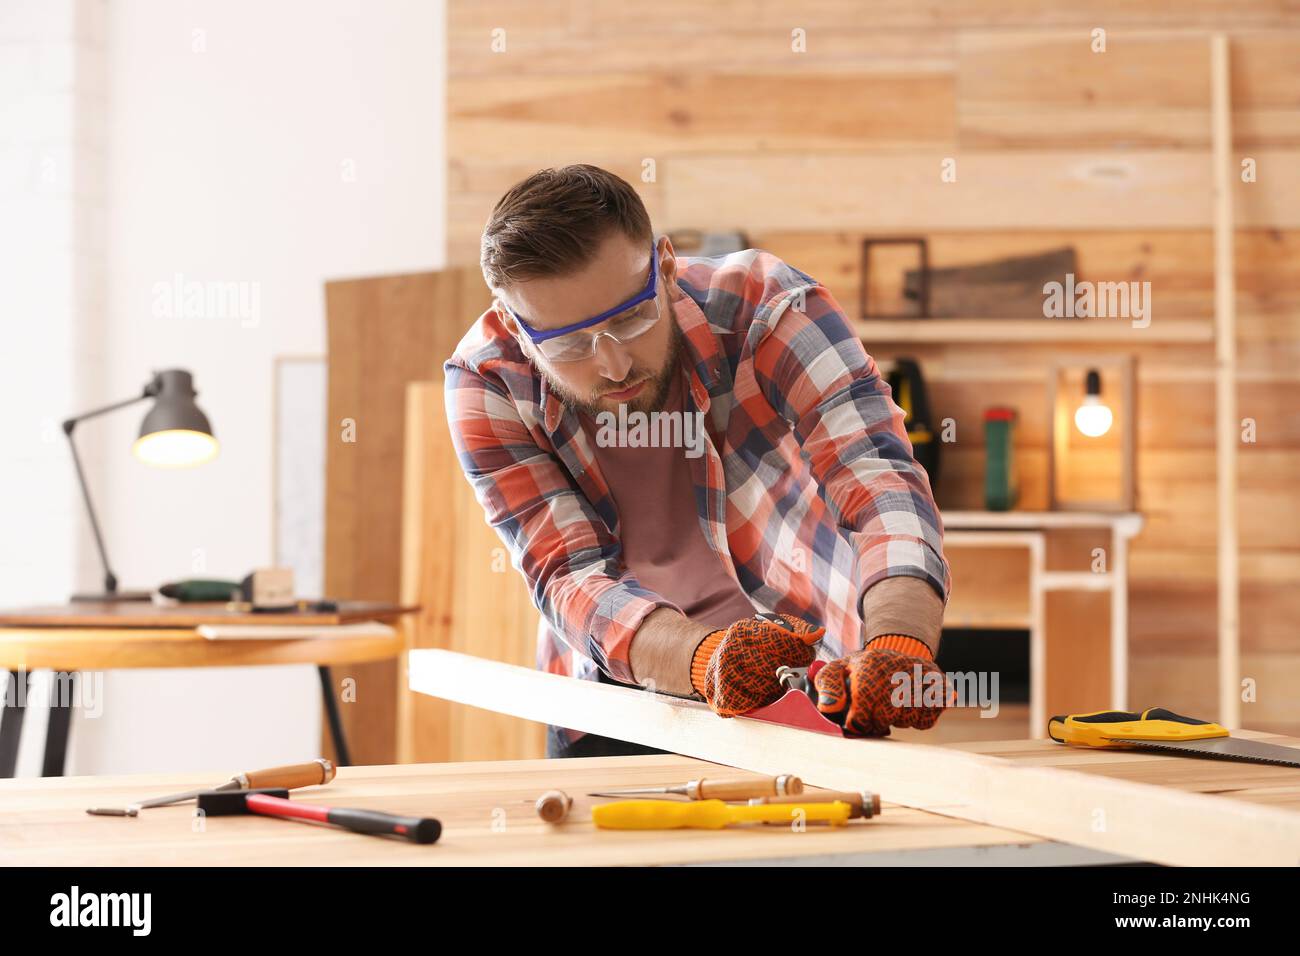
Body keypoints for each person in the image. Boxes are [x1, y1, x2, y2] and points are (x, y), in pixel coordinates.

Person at [445, 164, 951, 758]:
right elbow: (566, 574)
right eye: (568, 344)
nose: (612, 366)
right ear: (514, 325)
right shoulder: (488, 382)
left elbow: (877, 480)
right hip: (621, 686)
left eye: (631, 318)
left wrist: (900, 641)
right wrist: (706, 659)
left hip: (809, 669)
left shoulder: (769, 308)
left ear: (664, 266)